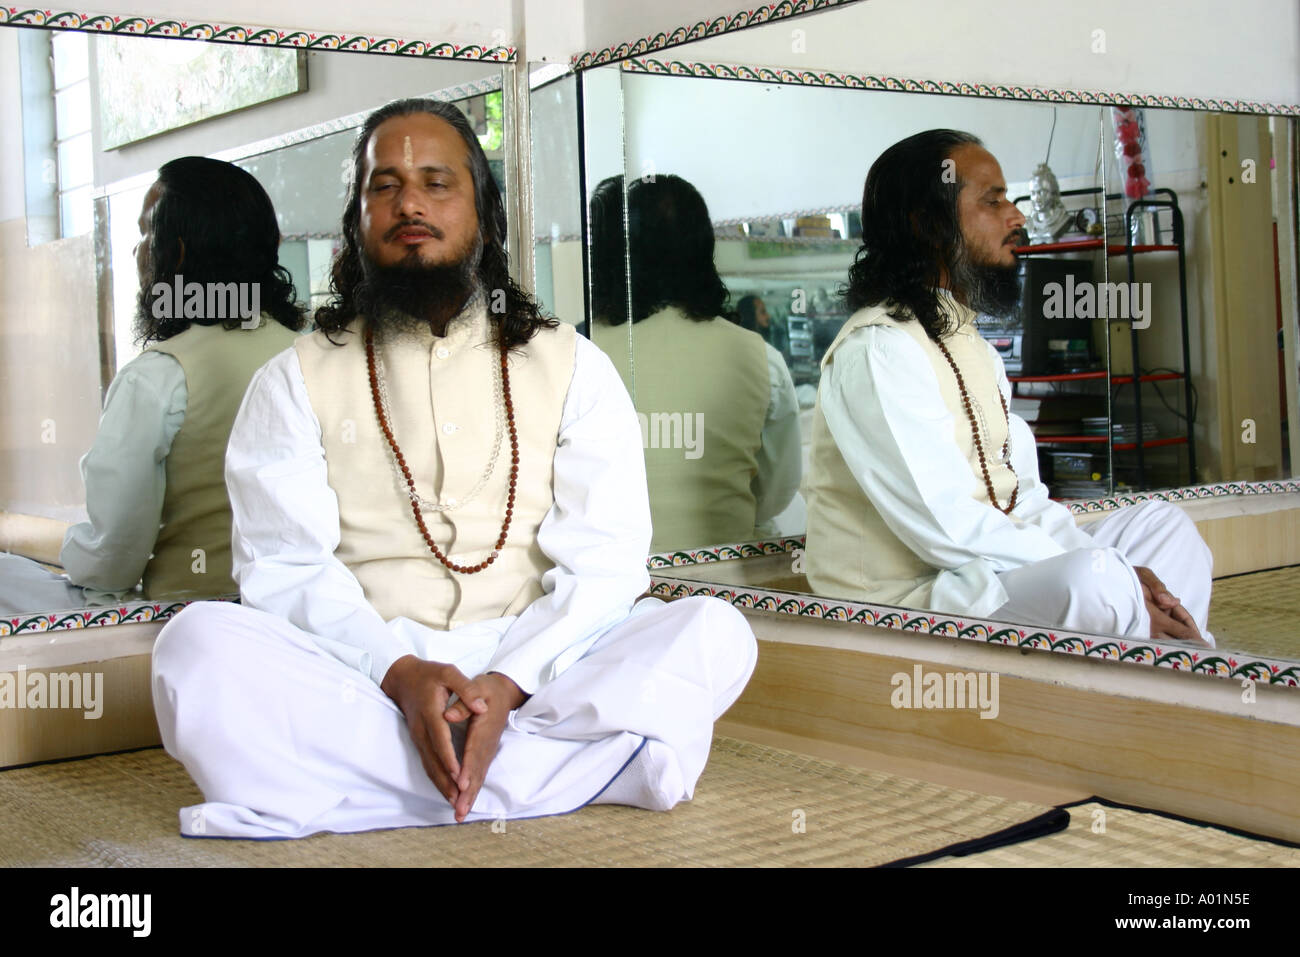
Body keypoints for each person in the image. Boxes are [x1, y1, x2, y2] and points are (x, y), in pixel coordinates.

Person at [151, 99, 758, 839]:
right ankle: (560, 776)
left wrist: (508, 682)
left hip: (538, 675)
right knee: (195, 650)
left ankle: (377, 791)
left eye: (437, 182)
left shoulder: (573, 365)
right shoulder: (293, 378)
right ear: (357, 218)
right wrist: (401, 674)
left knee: (715, 630)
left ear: (484, 213)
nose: (409, 202)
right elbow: (286, 570)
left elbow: (604, 563)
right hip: (364, 675)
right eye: (385, 185)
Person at [802, 129, 1213, 645]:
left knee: (1165, 527)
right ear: (926, 224)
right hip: (911, 600)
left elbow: (1025, 498)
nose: (1016, 217)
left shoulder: (971, 342)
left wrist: (1118, 568)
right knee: (1094, 579)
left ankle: (1169, 662)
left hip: (984, 576)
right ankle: (1172, 671)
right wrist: (1111, 573)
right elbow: (943, 524)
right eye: (993, 201)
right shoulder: (878, 350)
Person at [0, 157, 304, 613]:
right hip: (302, 620)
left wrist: (18, 536)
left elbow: (111, 562)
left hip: (188, 624)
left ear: (176, 253)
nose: (137, 252)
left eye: (146, 234)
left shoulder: (158, 376)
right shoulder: (311, 356)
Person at [589, 175, 801, 550]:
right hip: (727, 583)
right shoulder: (758, 356)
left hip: (609, 586)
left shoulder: (579, 351)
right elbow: (777, 492)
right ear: (705, 251)